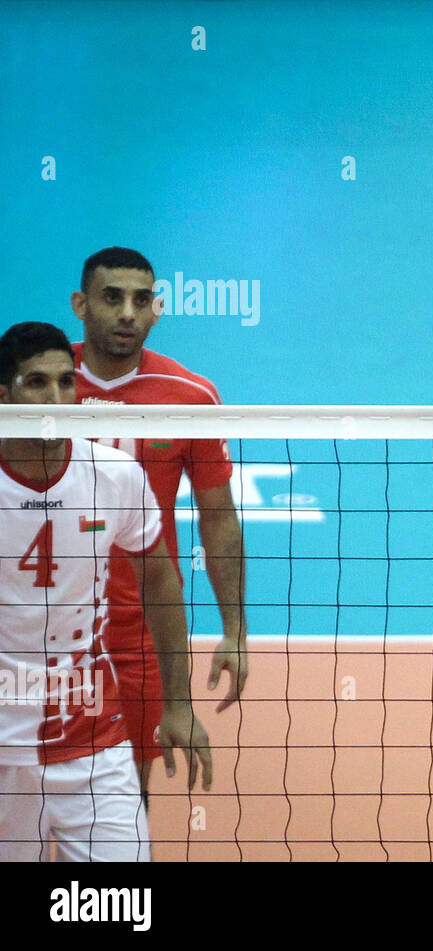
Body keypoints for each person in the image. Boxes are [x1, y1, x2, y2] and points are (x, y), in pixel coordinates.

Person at [0, 322, 212, 861]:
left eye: (66, 382)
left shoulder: (114, 475)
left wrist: (179, 703)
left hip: (93, 741)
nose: (56, 398)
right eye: (36, 383)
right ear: (4, 395)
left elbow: (161, 586)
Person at [69, 247, 248, 801]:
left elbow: (218, 519)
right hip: (38, 635)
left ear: (156, 310)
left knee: (123, 810)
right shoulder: (35, 390)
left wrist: (235, 630)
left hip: (140, 637)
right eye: (111, 297)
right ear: (81, 304)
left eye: (140, 299)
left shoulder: (189, 396)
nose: (127, 312)